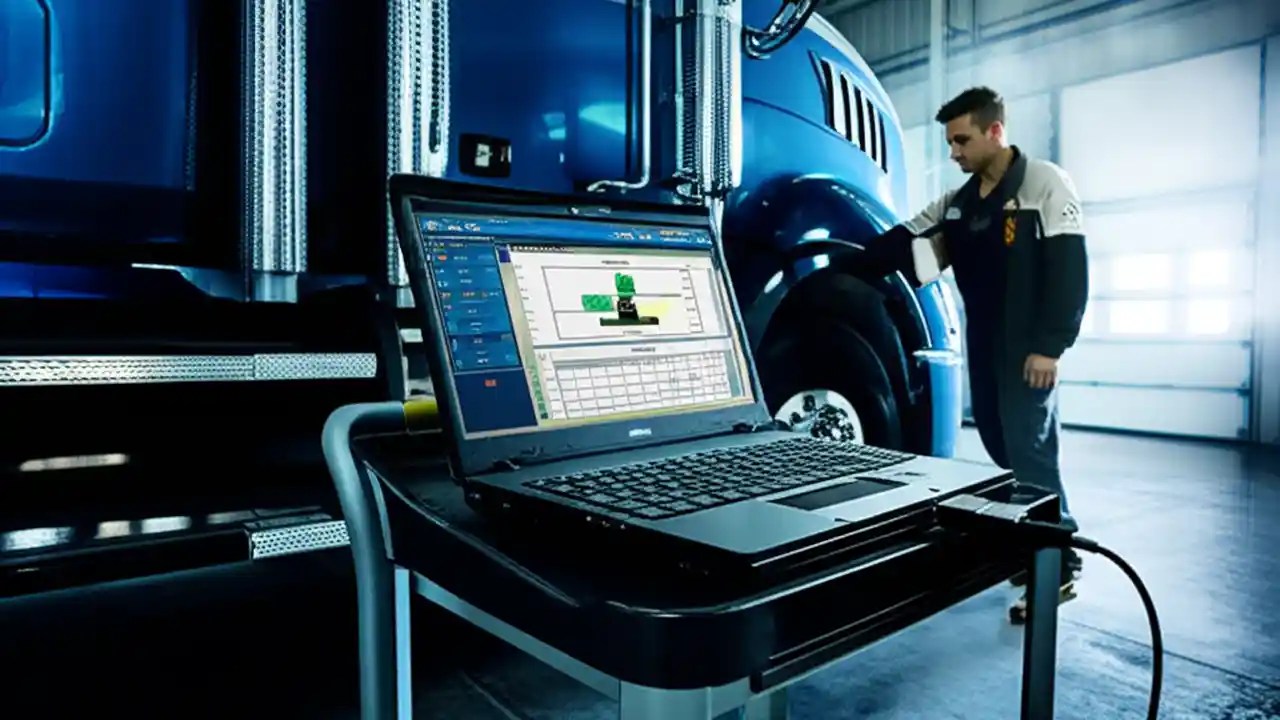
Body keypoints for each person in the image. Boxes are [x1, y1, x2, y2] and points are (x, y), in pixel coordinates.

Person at [857, 87, 1089, 620]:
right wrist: (843, 265)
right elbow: (902, 241)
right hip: (984, 344)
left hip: (1030, 349)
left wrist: (1050, 346)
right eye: (950, 142)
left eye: (961, 140)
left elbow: (1070, 272)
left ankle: (1057, 567)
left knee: (1031, 455)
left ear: (994, 132)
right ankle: (1037, 543)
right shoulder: (960, 204)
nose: (954, 152)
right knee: (1002, 446)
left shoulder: (1044, 184)